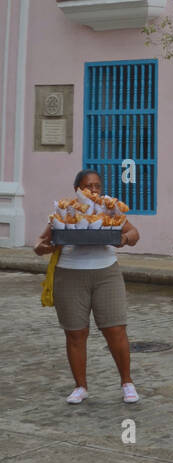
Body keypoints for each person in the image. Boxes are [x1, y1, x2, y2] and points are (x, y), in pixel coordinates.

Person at [33, 168, 141, 404]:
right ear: (77, 190)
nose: (93, 190)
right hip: (69, 274)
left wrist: (122, 239)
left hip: (106, 273)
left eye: (97, 186)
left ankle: (127, 382)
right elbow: (40, 242)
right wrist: (45, 247)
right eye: (88, 186)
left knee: (115, 330)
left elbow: (133, 233)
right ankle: (80, 386)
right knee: (75, 333)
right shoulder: (65, 211)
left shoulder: (109, 209)